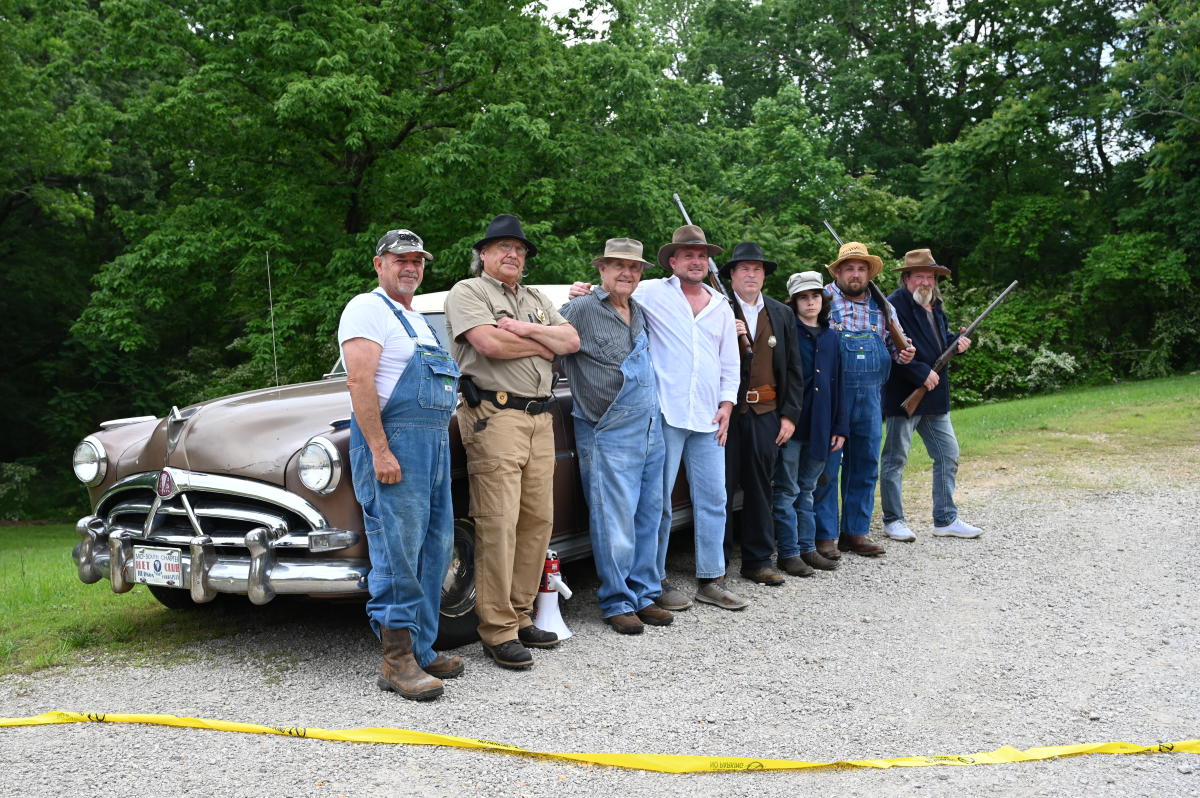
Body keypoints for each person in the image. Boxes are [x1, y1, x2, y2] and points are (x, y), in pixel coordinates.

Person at [570, 225, 746, 611]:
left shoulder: (720, 303)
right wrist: (581, 291)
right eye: (689, 255)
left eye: (702, 255)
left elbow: (729, 361)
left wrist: (727, 404)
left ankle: (711, 578)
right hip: (663, 413)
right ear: (673, 261)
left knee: (714, 498)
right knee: (658, 503)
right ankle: (657, 580)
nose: (697, 261)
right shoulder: (649, 292)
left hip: (708, 415)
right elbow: (608, 298)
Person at [444, 214, 580, 670]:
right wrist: (544, 343)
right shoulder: (469, 291)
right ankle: (498, 631)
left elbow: (572, 340)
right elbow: (489, 345)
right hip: (494, 416)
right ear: (483, 254)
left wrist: (523, 329)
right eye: (503, 247)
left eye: (519, 250)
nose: (513, 255)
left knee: (537, 521)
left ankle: (522, 617)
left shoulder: (536, 298)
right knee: (498, 524)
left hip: (539, 417)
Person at [339, 228, 462, 701]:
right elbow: (359, 382)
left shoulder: (418, 320)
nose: (411, 267)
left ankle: (423, 649)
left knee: (435, 548)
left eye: (417, 260)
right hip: (394, 448)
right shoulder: (366, 309)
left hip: (431, 448)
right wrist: (380, 449)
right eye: (400, 259)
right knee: (397, 554)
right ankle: (396, 660)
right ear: (379, 264)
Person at [557, 238, 672, 635]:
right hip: (606, 430)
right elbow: (551, 350)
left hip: (649, 427)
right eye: (618, 266)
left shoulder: (638, 311)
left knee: (648, 516)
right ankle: (617, 601)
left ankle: (643, 593)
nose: (627, 273)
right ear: (601, 270)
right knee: (614, 521)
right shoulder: (581, 308)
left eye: (635, 268)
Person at [812, 242, 916, 559]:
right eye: (849, 268)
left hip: (871, 398)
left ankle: (855, 532)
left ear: (868, 273)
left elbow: (895, 349)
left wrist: (905, 352)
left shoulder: (883, 307)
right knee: (827, 468)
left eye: (861, 269)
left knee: (866, 465)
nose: (855, 275)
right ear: (838, 272)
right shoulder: (823, 300)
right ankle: (825, 535)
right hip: (831, 399)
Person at [879, 248, 981, 541]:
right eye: (919, 276)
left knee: (948, 455)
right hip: (905, 396)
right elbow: (893, 348)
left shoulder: (935, 307)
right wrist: (919, 373)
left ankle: (946, 519)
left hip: (934, 397)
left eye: (930, 277)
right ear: (907, 279)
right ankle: (893, 520)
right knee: (895, 460)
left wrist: (956, 344)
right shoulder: (893, 306)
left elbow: (937, 347)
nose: (925, 282)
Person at [719, 242, 805, 585]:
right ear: (731, 276)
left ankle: (757, 561)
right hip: (725, 413)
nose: (751, 274)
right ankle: (716, 565)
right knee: (720, 491)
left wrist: (789, 415)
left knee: (760, 488)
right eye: (744, 269)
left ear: (764, 276)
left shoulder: (782, 313)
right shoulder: (717, 308)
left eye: (757, 269)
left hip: (767, 410)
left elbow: (795, 368)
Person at [771, 271, 848, 576]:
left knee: (809, 488)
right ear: (794, 302)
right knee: (787, 489)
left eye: (815, 296)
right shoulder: (786, 334)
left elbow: (838, 383)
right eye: (804, 297)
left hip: (821, 427)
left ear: (823, 300)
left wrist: (840, 426)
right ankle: (788, 552)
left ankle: (807, 548)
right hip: (792, 425)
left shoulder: (831, 337)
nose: (810, 302)